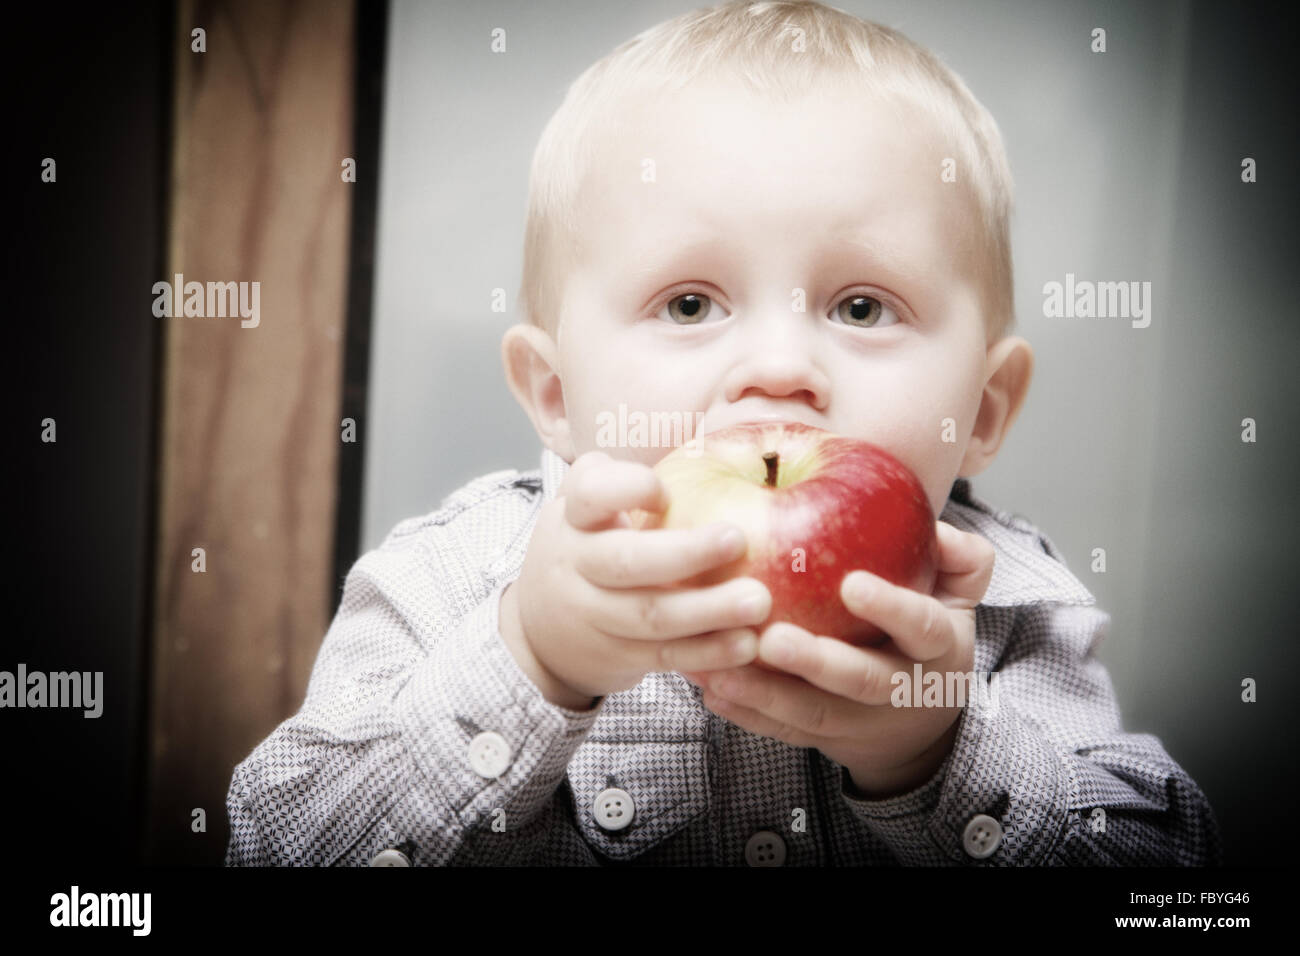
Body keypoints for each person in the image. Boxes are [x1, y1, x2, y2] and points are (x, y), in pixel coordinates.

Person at [225, 0, 1220, 866]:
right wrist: (531, 658)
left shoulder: (1009, 616)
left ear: (985, 409)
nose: (779, 365)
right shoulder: (452, 580)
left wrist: (942, 750)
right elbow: (273, 843)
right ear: (556, 393)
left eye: (863, 306)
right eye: (692, 304)